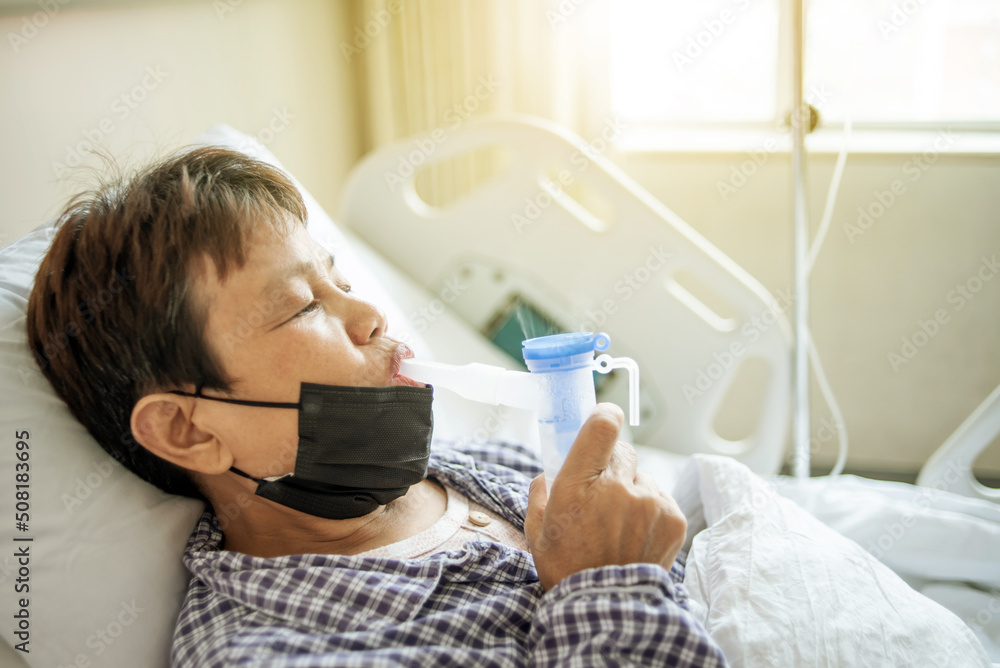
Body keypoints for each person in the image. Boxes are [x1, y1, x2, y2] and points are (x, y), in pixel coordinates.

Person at [27, 146, 727, 666]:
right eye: (304, 306)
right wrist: (603, 588)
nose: (370, 312)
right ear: (188, 428)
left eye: (338, 278)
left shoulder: (468, 469)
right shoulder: (272, 653)